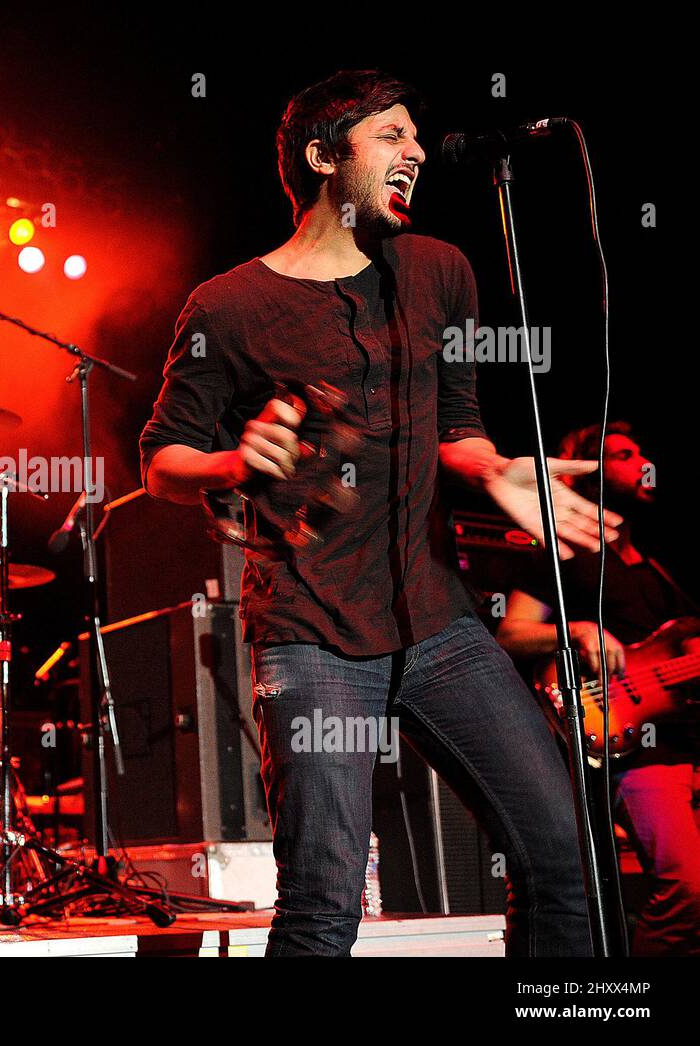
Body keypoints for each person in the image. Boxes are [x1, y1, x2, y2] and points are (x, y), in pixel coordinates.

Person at [139, 69, 619, 956]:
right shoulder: (228, 306)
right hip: (310, 628)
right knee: (324, 904)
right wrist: (231, 461)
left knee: (564, 860)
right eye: (390, 135)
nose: (417, 152)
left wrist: (490, 469)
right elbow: (160, 458)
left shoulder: (440, 271)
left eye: (416, 137)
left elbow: (459, 422)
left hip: (439, 621)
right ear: (325, 156)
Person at [496, 422, 700, 955]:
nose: (644, 461)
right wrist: (578, 629)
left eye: (642, 451)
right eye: (625, 454)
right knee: (687, 889)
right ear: (592, 474)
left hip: (683, 738)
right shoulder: (563, 552)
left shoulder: (655, 559)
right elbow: (511, 634)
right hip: (628, 740)